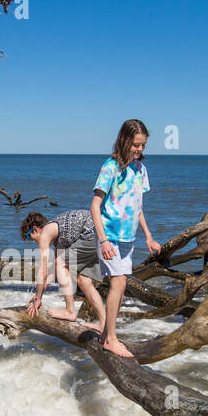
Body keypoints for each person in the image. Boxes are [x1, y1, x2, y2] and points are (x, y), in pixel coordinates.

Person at [91, 119, 160, 358]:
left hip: (128, 240)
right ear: (124, 141)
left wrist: (149, 237)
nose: (140, 149)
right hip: (109, 237)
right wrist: (102, 240)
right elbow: (95, 205)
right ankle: (110, 338)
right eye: (136, 145)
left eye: (143, 145)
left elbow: (137, 208)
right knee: (118, 284)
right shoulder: (111, 167)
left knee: (119, 290)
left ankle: (105, 334)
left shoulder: (140, 170)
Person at [21, 208, 106, 326]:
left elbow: (43, 270)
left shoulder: (45, 233)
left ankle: (70, 311)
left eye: (30, 237)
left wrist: (39, 298)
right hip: (102, 234)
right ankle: (103, 325)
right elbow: (52, 271)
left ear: (35, 229)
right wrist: (38, 295)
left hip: (92, 233)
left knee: (61, 263)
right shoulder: (58, 237)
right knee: (84, 281)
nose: (34, 242)